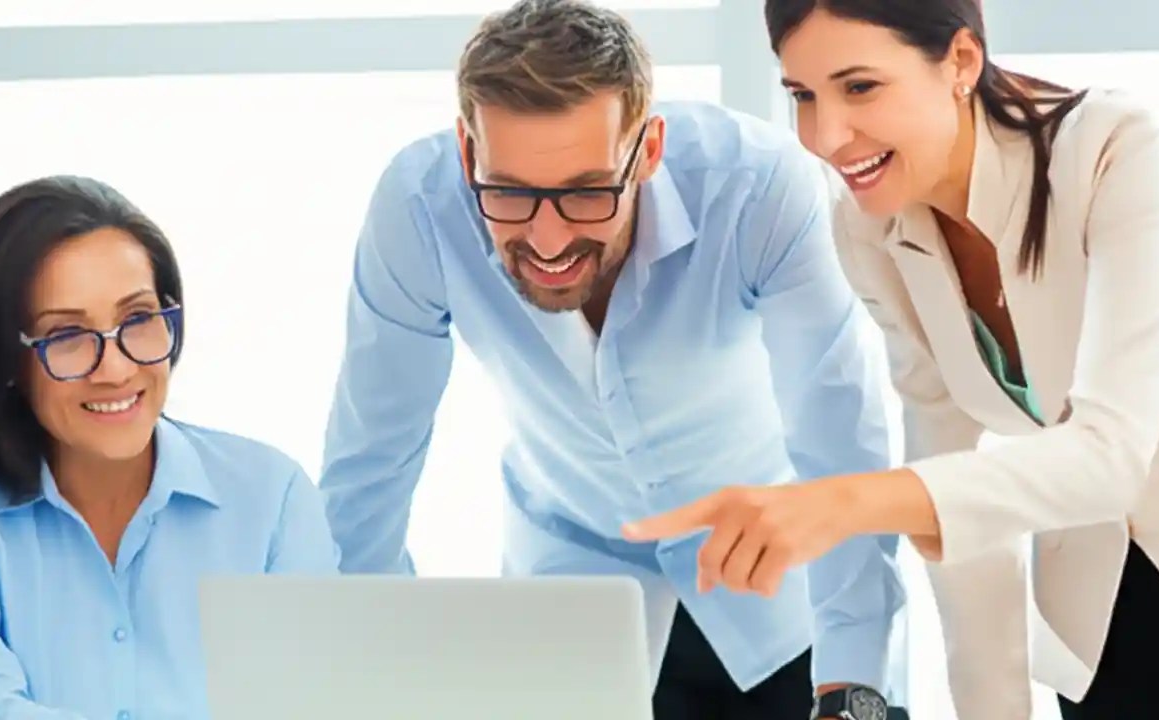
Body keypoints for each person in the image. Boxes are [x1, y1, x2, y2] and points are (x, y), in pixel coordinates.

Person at [624, 1, 1159, 718]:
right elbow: (953, 500)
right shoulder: (873, 228)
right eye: (802, 96)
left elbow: (1113, 455)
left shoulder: (1115, 148)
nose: (825, 136)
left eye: (860, 87)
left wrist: (841, 503)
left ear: (962, 62)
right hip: (1103, 616)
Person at [317, 0, 906, 716]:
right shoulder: (419, 205)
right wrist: (348, 664)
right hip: (572, 597)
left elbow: (840, 438)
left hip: (777, 587)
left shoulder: (758, 187)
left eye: (585, 193)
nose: (548, 238)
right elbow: (373, 456)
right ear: (469, 154)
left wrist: (857, 683)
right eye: (508, 194)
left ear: (648, 150)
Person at [0, 175, 339, 720]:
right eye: (66, 336)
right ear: (6, 360)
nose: (116, 368)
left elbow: (311, 707)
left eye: (137, 320)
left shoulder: (271, 499)